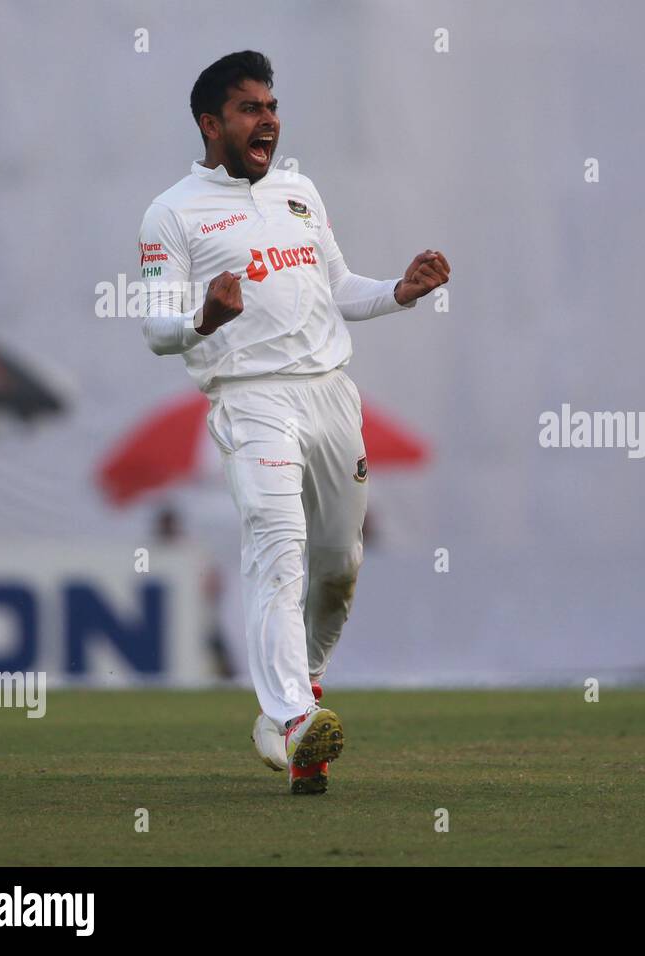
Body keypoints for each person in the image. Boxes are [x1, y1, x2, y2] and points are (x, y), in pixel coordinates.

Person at [136, 51, 449, 794]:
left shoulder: (301, 190)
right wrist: (202, 317)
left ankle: (301, 690)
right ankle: (293, 719)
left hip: (332, 395)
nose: (268, 118)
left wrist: (400, 291)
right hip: (251, 400)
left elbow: (340, 289)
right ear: (212, 124)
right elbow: (154, 327)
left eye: (271, 105)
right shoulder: (172, 211)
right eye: (249, 107)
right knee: (278, 550)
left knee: (339, 567)